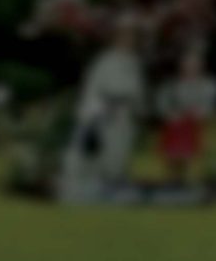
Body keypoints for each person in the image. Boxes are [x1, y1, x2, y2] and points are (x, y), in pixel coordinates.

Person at [58, 15, 148, 202]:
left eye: (131, 37)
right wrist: (92, 113)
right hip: (104, 112)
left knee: (119, 153)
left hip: (125, 115)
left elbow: (138, 91)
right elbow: (93, 88)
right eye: (124, 36)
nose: (128, 41)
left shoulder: (134, 62)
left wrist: (139, 110)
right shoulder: (104, 61)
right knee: (96, 153)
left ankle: (114, 190)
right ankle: (88, 190)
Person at [155, 43, 215, 185]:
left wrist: (201, 113)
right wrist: (171, 114)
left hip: (201, 129)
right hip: (177, 129)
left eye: (195, 64)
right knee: (173, 161)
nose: (191, 68)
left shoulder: (209, 85)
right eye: (188, 64)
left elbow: (210, 106)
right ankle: (172, 186)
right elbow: (162, 105)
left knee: (195, 163)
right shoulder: (171, 85)